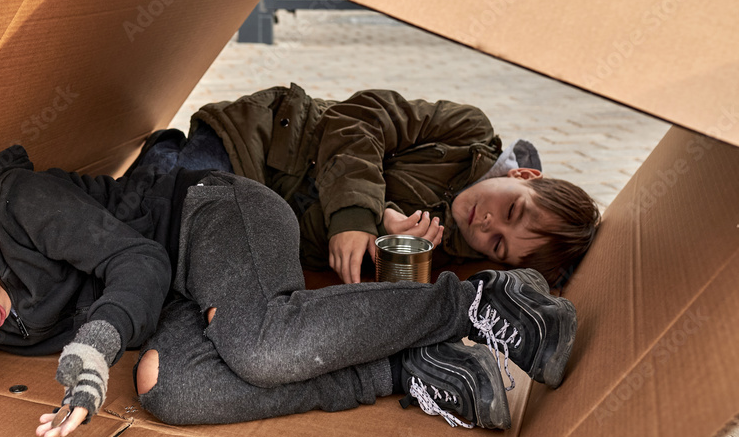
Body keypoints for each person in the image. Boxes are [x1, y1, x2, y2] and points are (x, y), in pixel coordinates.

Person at [0, 145, 577, 437]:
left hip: (207, 219)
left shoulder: (14, 207)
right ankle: (412, 371)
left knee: (257, 342)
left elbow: (135, 263)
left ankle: (481, 302)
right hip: (182, 306)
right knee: (166, 391)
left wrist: (94, 344)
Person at [129, 84, 600, 286]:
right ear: (524, 176)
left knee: (161, 259)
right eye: (513, 210)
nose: (488, 223)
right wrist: (356, 215)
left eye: (497, 245)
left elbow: (306, 243)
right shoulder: (468, 133)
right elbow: (361, 120)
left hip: (256, 205)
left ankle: (160, 172)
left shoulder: (430, 254)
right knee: (156, 215)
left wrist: (379, 240)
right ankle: (165, 157)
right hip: (265, 141)